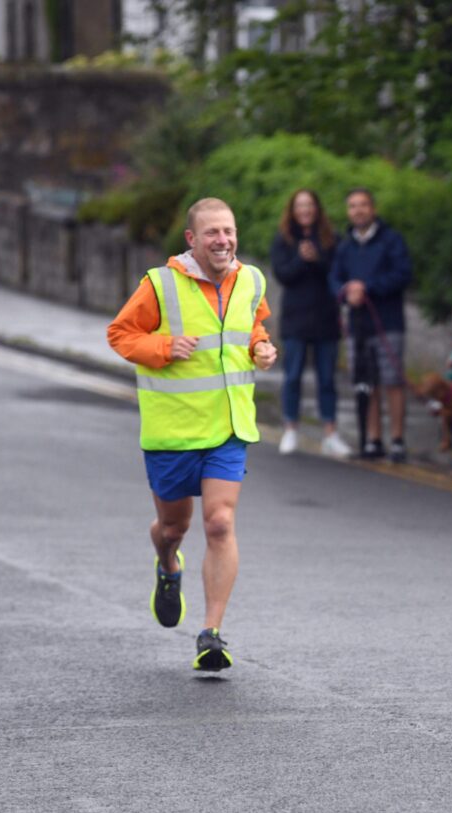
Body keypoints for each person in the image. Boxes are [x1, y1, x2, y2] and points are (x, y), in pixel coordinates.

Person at [106, 197, 277, 671]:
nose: (223, 241)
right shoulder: (159, 284)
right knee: (173, 528)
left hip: (228, 427)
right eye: (212, 234)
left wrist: (261, 347)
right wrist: (161, 345)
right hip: (175, 433)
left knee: (220, 523)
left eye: (229, 231)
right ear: (192, 240)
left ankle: (211, 634)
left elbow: (253, 325)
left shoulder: (252, 279)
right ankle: (168, 565)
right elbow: (120, 334)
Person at [328, 188, 413, 463]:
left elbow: (402, 273)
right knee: (366, 383)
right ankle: (373, 439)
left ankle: (398, 440)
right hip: (357, 324)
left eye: (363, 205)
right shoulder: (345, 246)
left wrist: (368, 288)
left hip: (387, 322)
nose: (358, 211)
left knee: (392, 381)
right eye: (353, 206)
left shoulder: (391, 240)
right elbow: (334, 278)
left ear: (372, 209)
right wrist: (346, 291)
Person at [270, 188, 351, 458]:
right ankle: (290, 428)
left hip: (326, 317)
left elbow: (337, 272)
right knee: (292, 375)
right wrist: (300, 260)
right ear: (293, 210)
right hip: (295, 318)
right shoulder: (283, 239)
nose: (305, 210)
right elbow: (283, 274)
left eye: (309, 205)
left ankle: (330, 432)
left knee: (327, 377)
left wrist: (316, 260)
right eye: (300, 205)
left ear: (317, 209)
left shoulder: (331, 238)